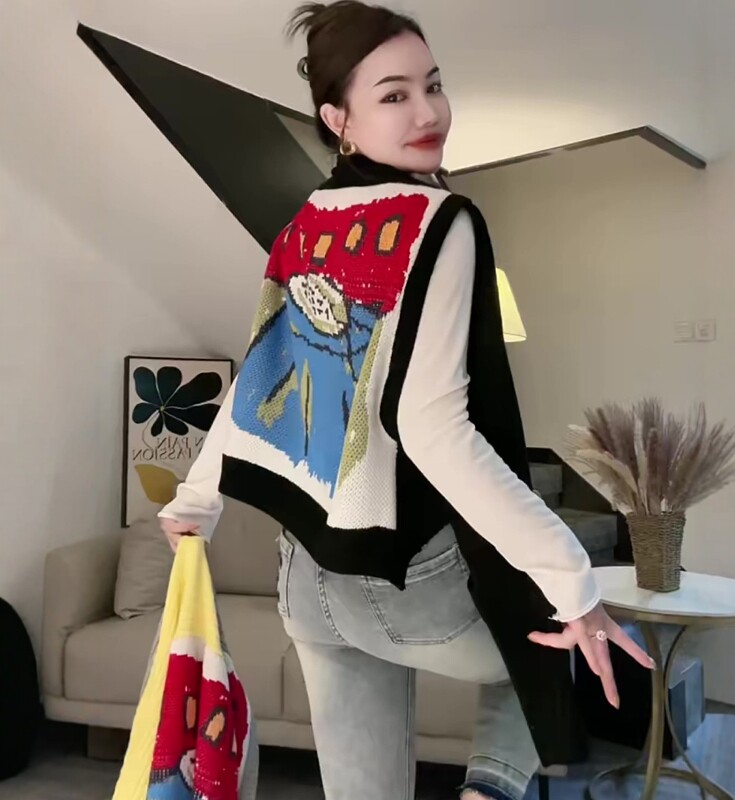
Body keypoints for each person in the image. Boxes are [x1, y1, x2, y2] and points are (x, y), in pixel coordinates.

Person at [158, 3, 653, 799]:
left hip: (304, 582)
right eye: (393, 95)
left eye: (433, 85)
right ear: (338, 120)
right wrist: (573, 581)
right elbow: (433, 429)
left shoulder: (303, 225)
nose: (428, 113)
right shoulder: (441, 220)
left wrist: (196, 501)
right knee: (558, 638)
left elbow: (259, 383)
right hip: (405, 584)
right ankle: (489, 788)